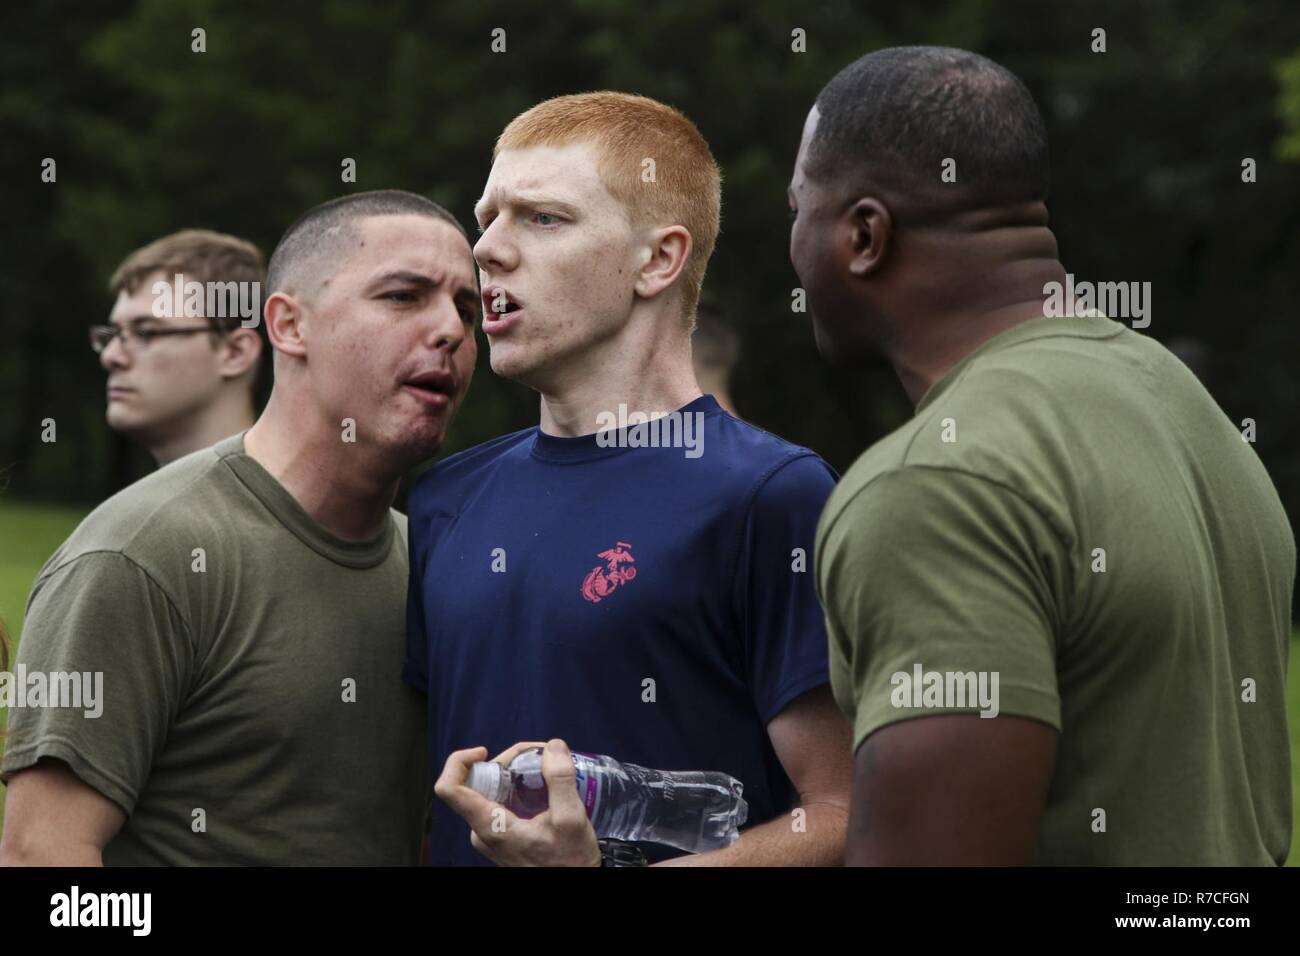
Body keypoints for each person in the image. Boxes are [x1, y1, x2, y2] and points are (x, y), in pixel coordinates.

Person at [789, 46, 1295, 864]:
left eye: (796, 209)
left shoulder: (934, 488)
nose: (792, 244)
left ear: (863, 235)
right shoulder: (1176, 400)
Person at [416, 91, 852, 867]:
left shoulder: (770, 494)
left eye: (542, 218)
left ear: (659, 259)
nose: (486, 249)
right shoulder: (443, 498)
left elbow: (847, 812)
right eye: (487, 217)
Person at [0, 190, 478, 865]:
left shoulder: (434, 570)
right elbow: (41, 858)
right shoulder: (141, 553)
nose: (451, 331)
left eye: (467, 307)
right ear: (287, 325)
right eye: (403, 296)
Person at [94, 229, 269, 466]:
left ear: (235, 353)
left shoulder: (296, 501)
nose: (110, 356)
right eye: (113, 334)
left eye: (146, 332)